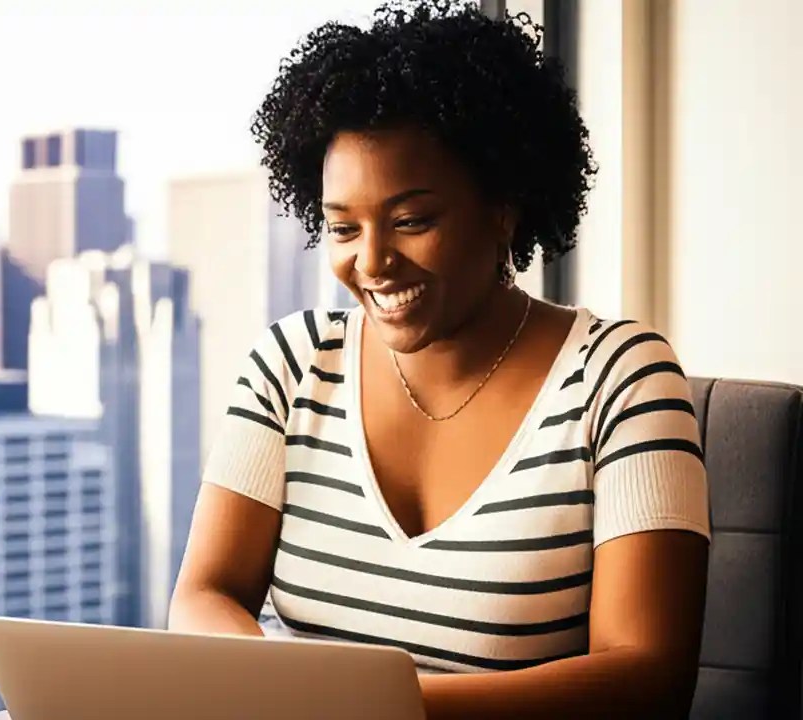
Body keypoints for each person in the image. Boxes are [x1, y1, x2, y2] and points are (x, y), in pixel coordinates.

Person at [168, 1, 710, 718]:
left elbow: (647, 680)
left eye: (411, 220)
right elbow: (204, 597)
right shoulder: (292, 364)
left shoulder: (621, 378)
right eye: (342, 227)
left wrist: (375, 707)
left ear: (502, 208)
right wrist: (296, 694)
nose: (372, 261)